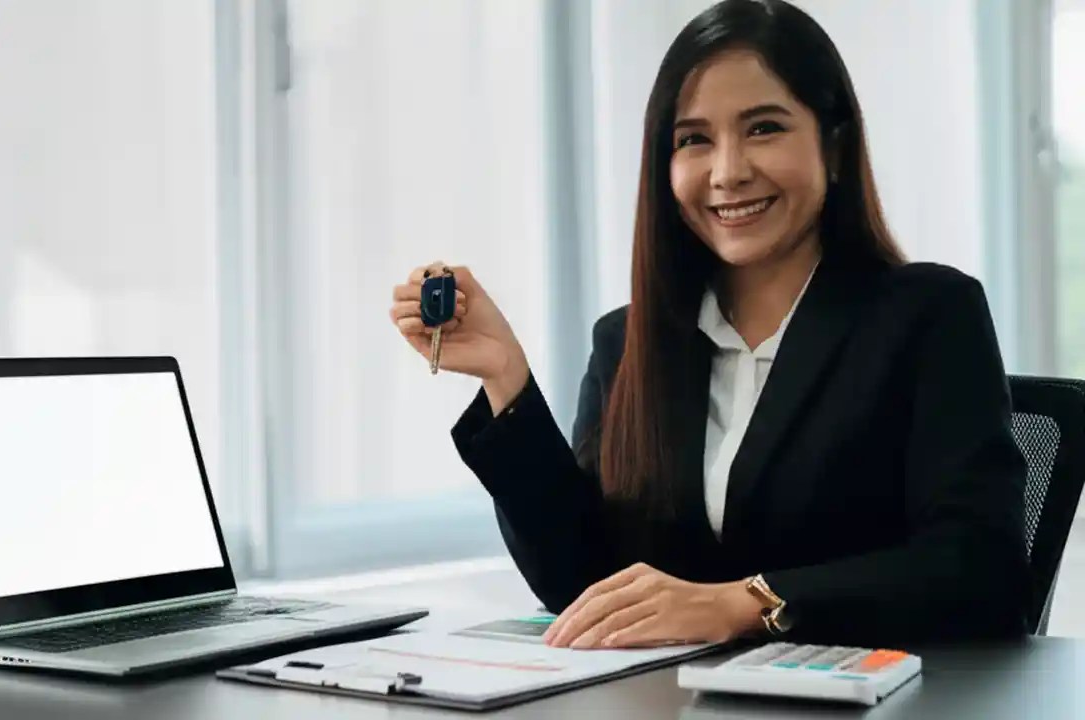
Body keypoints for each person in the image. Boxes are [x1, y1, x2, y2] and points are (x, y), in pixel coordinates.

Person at [389, 0, 1030, 649]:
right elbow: (586, 585)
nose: (728, 172)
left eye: (764, 129)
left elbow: (980, 568)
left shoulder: (927, 314)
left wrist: (748, 603)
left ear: (833, 147)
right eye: (694, 139)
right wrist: (506, 377)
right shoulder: (627, 342)